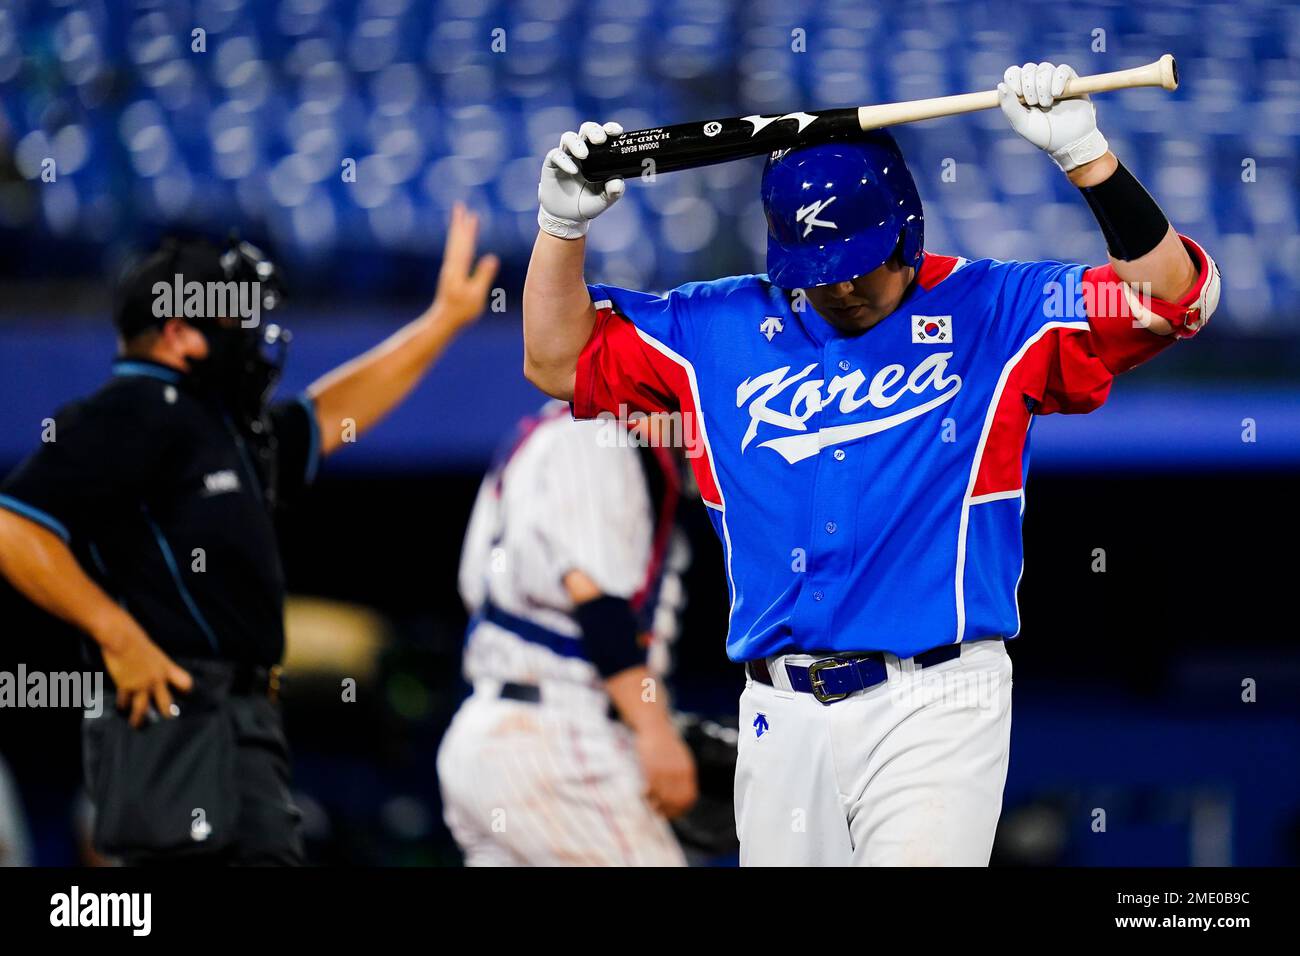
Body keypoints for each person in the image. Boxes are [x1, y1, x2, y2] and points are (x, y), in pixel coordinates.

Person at [519, 62, 1220, 866]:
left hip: (937, 701)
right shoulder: (712, 327)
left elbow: (1176, 301)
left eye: (860, 261)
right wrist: (561, 226)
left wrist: (1088, 159)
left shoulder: (998, 309)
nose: (843, 287)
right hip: (778, 713)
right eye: (821, 273)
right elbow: (554, 359)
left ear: (905, 227)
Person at [0, 204, 498, 865]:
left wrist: (440, 323)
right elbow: (13, 525)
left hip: (243, 719)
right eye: (234, 315)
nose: (253, 334)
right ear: (179, 332)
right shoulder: (132, 409)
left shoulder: (224, 427)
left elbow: (332, 413)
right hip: (175, 717)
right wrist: (117, 636)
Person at [437, 402, 697, 865]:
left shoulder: (552, 431)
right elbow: (596, 602)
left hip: (498, 730)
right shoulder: (593, 436)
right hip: (553, 740)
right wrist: (655, 732)